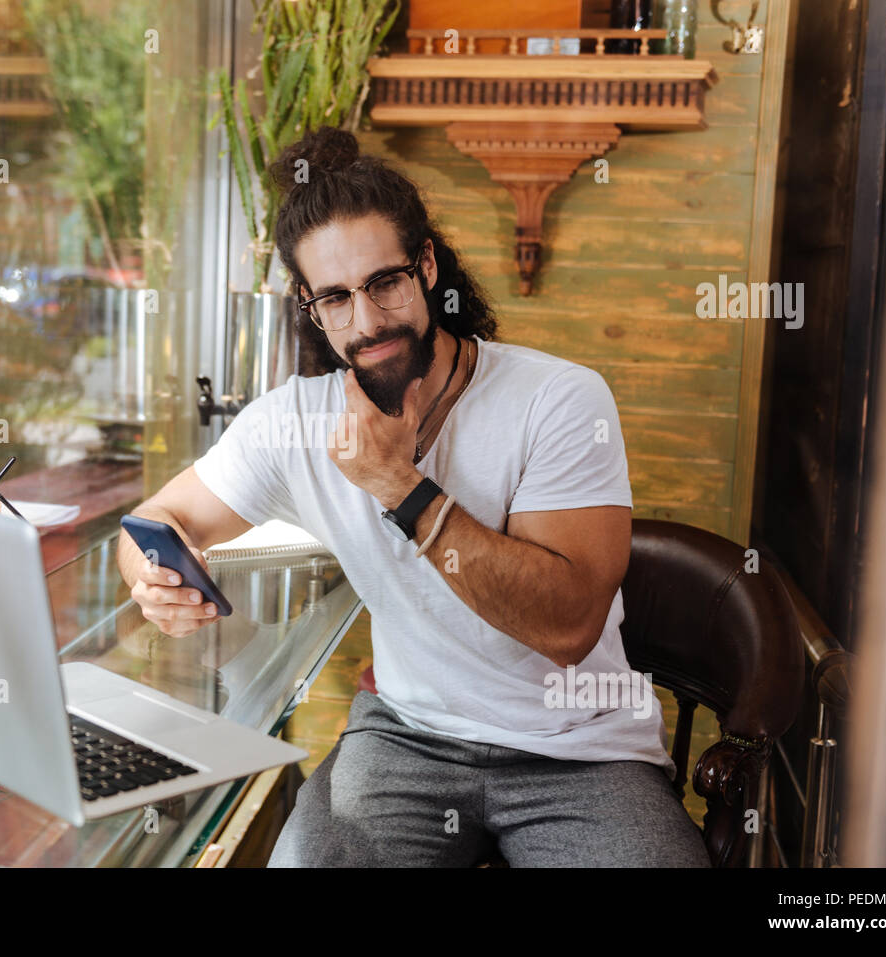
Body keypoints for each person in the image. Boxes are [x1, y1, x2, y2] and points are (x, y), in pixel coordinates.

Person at [116, 126, 710, 868]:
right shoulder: (293, 422)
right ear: (309, 305)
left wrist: (399, 485)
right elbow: (152, 520)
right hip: (406, 735)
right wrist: (152, 577)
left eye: (385, 283)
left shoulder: (557, 399)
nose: (367, 322)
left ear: (426, 265)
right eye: (336, 297)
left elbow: (567, 626)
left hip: (579, 747)